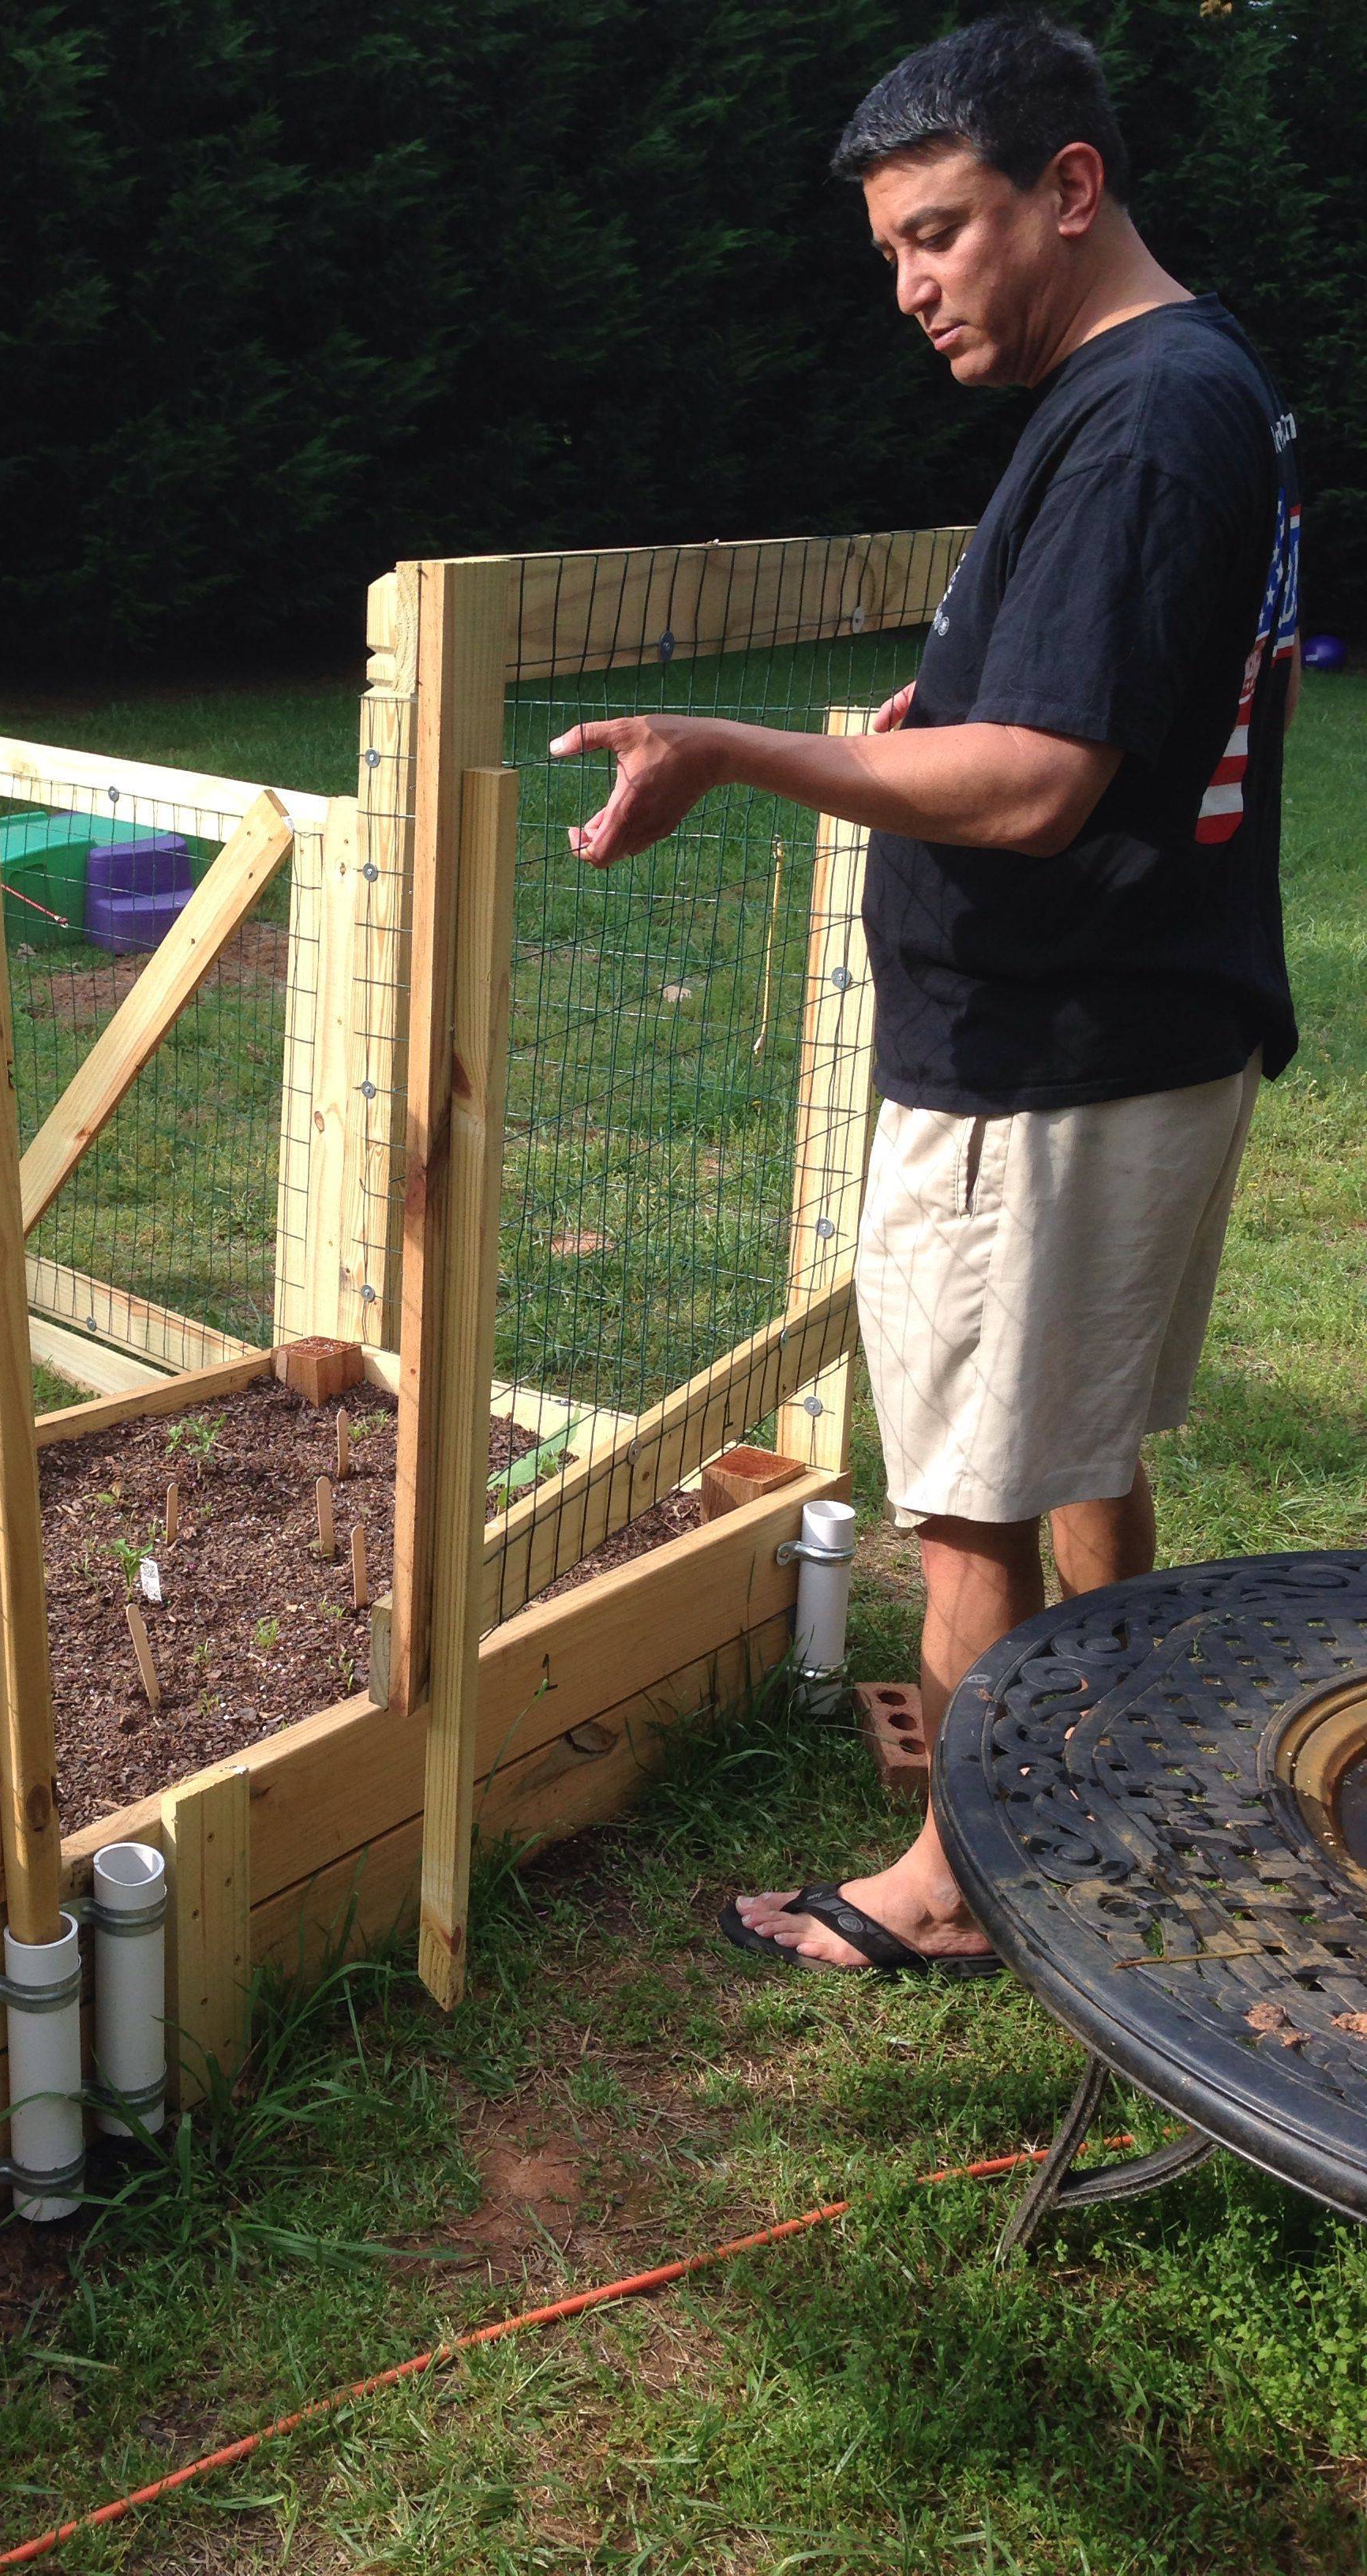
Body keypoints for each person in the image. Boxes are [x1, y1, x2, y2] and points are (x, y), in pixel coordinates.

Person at [551, 10, 1301, 1976]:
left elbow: (1044, 786)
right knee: (1078, 1449)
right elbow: (1100, 705)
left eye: (942, 235)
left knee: (969, 1495)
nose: (910, 287)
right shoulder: (1196, 387)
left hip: (1048, 1054)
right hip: (1147, 1023)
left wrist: (735, 746)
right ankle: (1105, 1757)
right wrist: (938, 719)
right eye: (890, 249)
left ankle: (961, 1887)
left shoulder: (1144, 416)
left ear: (1070, 190)